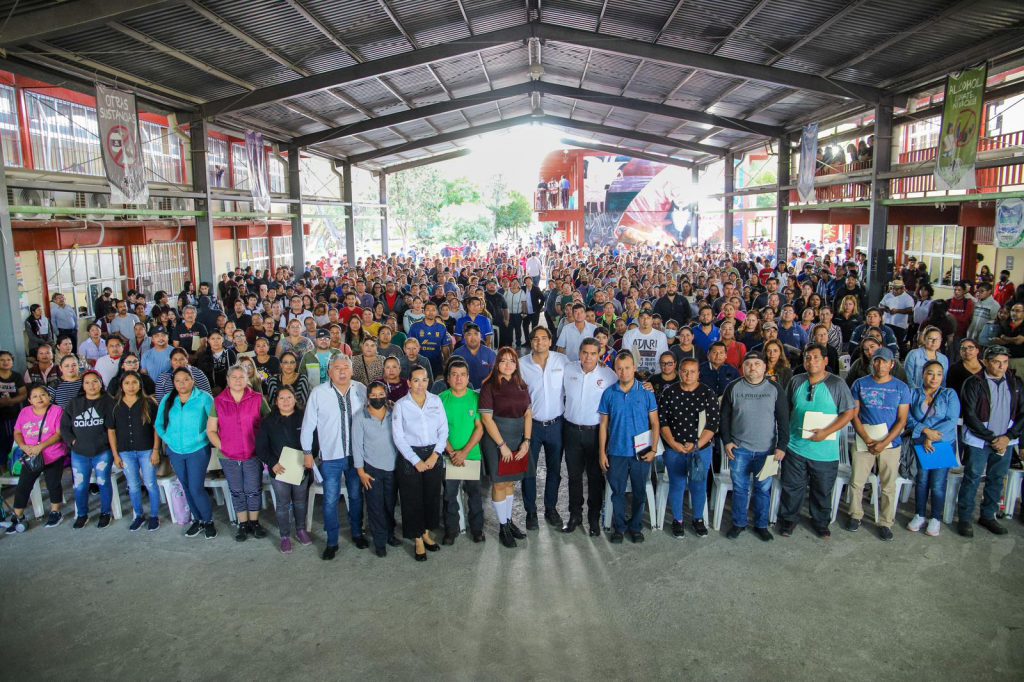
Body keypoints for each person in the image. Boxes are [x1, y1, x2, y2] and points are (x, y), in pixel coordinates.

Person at [777, 344, 857, 539]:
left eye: (815, 357)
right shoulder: (796, 381)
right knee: (792, 486)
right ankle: (788, 520)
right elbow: (786, 410)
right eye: (807, 358)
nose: (811, 361)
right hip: (795, 447)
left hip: (825, 451)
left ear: (825, 361)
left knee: (822, 489)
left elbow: (849, 412)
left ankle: (821, 522)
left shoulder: (837, 384)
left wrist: (826, 431)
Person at [300, 355, 369, 559]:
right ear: (329, 372)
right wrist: (307, 452)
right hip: (331, 456)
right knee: (330, 500)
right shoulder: (319, 393)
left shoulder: (361, 389)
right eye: (336, 368)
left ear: (352, 371)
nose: (341, 371)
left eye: (345, 367)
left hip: (357, 455)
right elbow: (308, 425)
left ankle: (357, 533)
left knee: (356, 495)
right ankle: (332, 541)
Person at [720, 351, 790, 541]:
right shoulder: (733, 387)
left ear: (764, 367)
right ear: (743, 367)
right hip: (739, 450)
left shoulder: (775, 388)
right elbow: (724, 418)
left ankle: (761, 525)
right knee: (740, 489)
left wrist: (781, 446)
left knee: (763, 489)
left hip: (768, 452)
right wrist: (727, 441)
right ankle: (738, 523)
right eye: (749, 364)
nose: (753, 367)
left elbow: (784, 420)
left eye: (757, 363)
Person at [957, 345, 1024, 537]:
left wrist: (1008, 437)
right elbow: (969, 415)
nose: (1001, 366)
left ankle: (988, 515)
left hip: (1006, 441)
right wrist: (992, 438)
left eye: (1004, 362)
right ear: (985, 362)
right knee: (972, 477)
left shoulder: (1015, 383)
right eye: (996, 362)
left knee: (996, 478)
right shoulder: (974, 383)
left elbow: (1022, 413)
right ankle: (964, 518)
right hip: (980, 441)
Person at [846, 347, 911, 540]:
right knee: (857, 482)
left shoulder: (901, 387)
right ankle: (855, 515)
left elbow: (902, 420)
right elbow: (854, 414)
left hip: (890, 443)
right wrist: (866, 438)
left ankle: (885, 522)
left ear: (892, 364)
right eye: (876, 360)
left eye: (884, 361)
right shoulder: (859, 384)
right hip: (863, 439)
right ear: (871, 362)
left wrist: (884, 443)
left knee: (888, 485)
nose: (880, 365)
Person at [599, 350, 660, 543]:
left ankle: (635, 527)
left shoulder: (646, 393)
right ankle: (619, 528)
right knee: (617, 493)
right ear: (615, 370)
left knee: (639, 491)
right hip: (616, 451)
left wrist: (653, 449)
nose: (624, 372)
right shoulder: (609, 394)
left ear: (634, 368)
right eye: (619, 368)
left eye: (627, 368)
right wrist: (602, 452)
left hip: (641, 453)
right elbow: (603, 425)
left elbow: (655, 423)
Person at [391, 366, 448, 562]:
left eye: (424, 380)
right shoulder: (401, 405)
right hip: (410, 456)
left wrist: (435, 455)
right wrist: (415, 460)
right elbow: (398, 437)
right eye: (416, 380)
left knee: (431, 496)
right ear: (408, 383)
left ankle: (425, 532)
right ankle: (417, 539)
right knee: (412, 498)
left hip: (433, 453)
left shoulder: (436, 401)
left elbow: (443, 430)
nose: (420, 384)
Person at [658, 357, 719, 538]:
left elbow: (712, 425)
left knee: (698, 485)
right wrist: (673, 444)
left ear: (698, 374)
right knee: (677, 484)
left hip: (700, 450)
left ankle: (698, 519)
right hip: (674, 449)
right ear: (679, 372)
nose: (688, 375)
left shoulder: (708, 394)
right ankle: (678, 520)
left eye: (692, 371)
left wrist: (697, 446)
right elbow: (663, 422)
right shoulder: (669, 393)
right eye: (685, 371)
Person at [562, 338, 616, 536]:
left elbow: (624, 387)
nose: (588, 357)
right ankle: (575, 515)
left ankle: (594, 518)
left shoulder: (608, 375)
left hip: (595, 434)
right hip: (571, 431)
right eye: (585, 352)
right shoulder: (568, 370)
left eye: (593, 353)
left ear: (599, 354)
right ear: (579, 352)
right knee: (574, 476)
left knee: (594, 477)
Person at [478, 347, 532, 547]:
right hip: (497, 439)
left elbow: (528, 414)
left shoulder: (522, 385)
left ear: (516, 364)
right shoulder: (489, 386)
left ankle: (509, 521)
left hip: (517, 438)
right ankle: (503, 527)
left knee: (511, 483)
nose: (508, 364)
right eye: (503, 361)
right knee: (500, 484)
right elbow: (486, 418)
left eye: (512, 361)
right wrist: (502, 445)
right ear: (497, 363)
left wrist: (526, 441)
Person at [207, 366, 268, 542]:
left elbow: (269, 424)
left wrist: (262, 446)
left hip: (252, 454)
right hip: (228, 456)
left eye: (241, 377)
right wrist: (223, 447)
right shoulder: (218, 401)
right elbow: (211, 430)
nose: (238, 380)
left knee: (253, 490)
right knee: (237, 491)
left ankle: (254, 522)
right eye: (234, 377)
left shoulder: (257, 399)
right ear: (227, 379)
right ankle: (242, 524)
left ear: (247, 379)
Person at [155, 367, 217, 539]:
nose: (182, 384)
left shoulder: (204, 398)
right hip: (175, 451)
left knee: (196, 487)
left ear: (193, 380)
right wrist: (168, 438)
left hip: (198, 450)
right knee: (186, 487)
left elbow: (213, 424)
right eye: (178, 381)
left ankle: (208, 521)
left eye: (186, 379)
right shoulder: (168, 399)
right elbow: (159, 423)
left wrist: (200, 437)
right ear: (174, 383)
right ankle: (197, 520)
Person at [518, 327, 570, 528]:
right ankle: (530, 512)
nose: (539, 342)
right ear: (531, 342)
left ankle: (551, 508)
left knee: (554, 469)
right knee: (528, 470)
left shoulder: (562, 361)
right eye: (535, 339)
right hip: (532, 427)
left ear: (550, 341)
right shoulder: (522, 365)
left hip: (556, 424)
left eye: (543, 338)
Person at [255, 385, 314, 554]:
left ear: (295, 399)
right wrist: (272, 463)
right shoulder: (268, 421)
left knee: (300, 501)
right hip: (278, 469)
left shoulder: (305, 418)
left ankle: (301, 530)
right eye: (282, 398)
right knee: (282, 503)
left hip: (300, 467)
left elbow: (314, 440)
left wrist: (309, 457)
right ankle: (285, 536)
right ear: (276, 401)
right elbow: (261, 448)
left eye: (289, 397)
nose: (286, 401)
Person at [906, 361, 960, 537]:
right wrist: (925, 432)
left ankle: (935, 517)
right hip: (921, 442)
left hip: (943, 443)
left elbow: (951, 420)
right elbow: (908, 417)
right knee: (921, 481)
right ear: (923, 374)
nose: (934, 377)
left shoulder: (949, 394)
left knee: (937, 483)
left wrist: (931, 435)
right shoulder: (914, 393)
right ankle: (919, 514)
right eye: (930, 373)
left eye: (938, 374)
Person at [6, 384, 67, 532]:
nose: (39, 398)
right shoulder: (25, 412)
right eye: (35, 396)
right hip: (31, 456)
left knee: (53, 484)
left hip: (53, 454)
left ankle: (55, 512)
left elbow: (59, 434)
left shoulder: (57, 410)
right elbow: (18, 432)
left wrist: (41, 446)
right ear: (29, 400)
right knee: (23, 486)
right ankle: (18, 516)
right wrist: (23, 446)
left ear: (49, 397)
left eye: (42, 395)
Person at [106, 371, 161, 532]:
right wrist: (115, 454)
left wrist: (156, 450)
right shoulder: (115, 405)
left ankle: (154, 516)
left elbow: (156, 429)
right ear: (121, 386)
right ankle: (138, 515)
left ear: (140, 385)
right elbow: (111, 431)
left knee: (150, 483)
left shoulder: (149, 403)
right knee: (133, 485)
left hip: (147, 450)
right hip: (125, 452)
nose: (131, 386)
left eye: (134, 383)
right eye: (127, 383)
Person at [351, 382, 402, 557]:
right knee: (375, 506)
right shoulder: (360, 417)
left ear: (386, 395)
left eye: (381, 394)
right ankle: (380, 542)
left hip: (392, 467)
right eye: (373, 395)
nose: (377, 398)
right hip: (371, 469)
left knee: (389, 504)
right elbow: (357, 446)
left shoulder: (394, 414)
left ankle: (390, 534)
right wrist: (360, 472)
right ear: (368, 397)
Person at [438, 361, 486, 544]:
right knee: (449, 496)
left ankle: (477, 530)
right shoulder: (441, 399)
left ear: (468, 378)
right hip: (449, 456)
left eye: (462, 374)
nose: (458, 378)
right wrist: (452, 452)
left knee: (474, 494)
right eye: (454, 374)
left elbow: (480, 428)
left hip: (472, 456)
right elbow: (438, 430)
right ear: (448, 378)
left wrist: (464, 453)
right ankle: (451, 530)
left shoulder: (476, 398)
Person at [61, 370, 115, 529]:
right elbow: (64, 427)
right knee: (80, 485)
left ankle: (106, 513)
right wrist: (72, 441)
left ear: (101, 383)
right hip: (79, 452)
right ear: (83, 386)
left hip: (102, 451)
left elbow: (113, 428)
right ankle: (82, 514)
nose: (91, 385)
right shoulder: (74, 403)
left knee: (103, 482)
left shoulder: (109, 402)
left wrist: (102, 441)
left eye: (95, 381)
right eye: (87, 382)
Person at [620, 309, 669, 377]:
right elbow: (625, 357)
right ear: (638, 319)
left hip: (656, 375)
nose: (645, 321)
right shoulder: (629, 335)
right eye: (642, 317)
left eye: (648, 318)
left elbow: (664, 357)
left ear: (652, 320)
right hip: (633, 374)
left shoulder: (661, 336)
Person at [452, 323, 496, 390]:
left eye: (476, 334)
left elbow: (496, 375)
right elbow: (452, 376)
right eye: (469, 334)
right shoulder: (457, 353)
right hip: (463, 392)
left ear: (480, 336)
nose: (473, 337)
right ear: (464, 337)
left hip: (485, 391)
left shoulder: (490, 353)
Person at [0, 350, 27, 459]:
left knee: (13, 440)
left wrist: (11, 401)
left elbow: (24, 394)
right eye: (2, 360)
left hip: (14, 415)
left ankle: (12, 465)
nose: (5, 362)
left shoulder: (16, 376)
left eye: (8, 360)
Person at [879, 279, 914, 348]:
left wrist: (897, 311)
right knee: (885, 341)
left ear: (902, 289)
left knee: (898, 343)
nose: (894, 291)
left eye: (897, 289)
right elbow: (880, 305)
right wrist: (887, 309)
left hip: (899, 325)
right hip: (887, 322)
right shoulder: (888, 295)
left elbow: (910, 310)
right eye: (893, 289)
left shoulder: (908, 298)